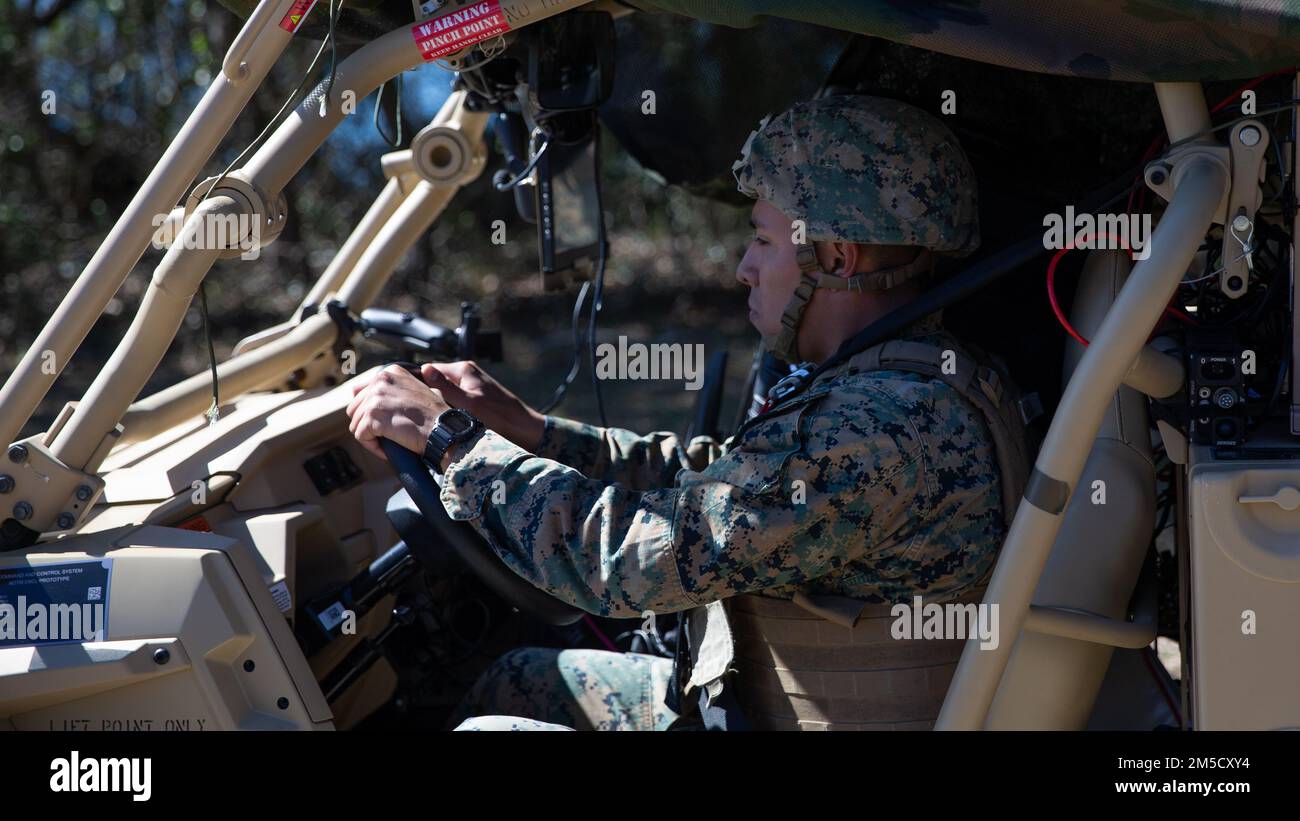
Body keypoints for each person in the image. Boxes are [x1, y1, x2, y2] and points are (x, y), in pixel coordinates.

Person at [346, 94, 1018, 731]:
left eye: (762, 240)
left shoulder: (876, 429)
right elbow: (721, 484)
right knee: (520, 676)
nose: (743, 270)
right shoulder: (908, 380)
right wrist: (533, 430)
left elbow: (626, 563)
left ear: (835, 256)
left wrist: (449, 441)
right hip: (756, 707)